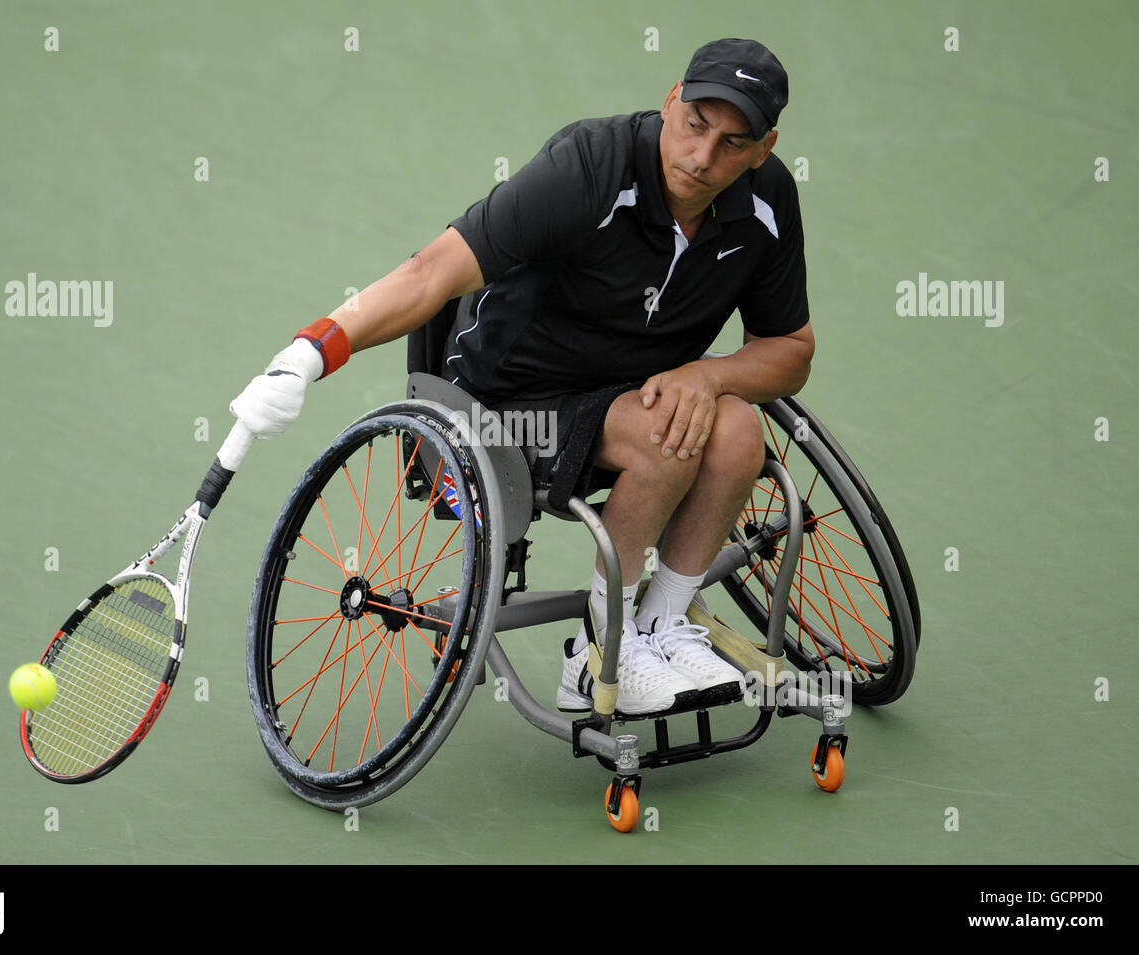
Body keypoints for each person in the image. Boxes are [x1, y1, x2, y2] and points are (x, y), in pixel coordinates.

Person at [230, 38, 814, 717]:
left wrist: (708, 376)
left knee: (739, 427)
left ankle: (659, 625)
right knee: (670, 435)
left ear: (764, 148)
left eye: (733, 143)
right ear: (670, 103)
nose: (704, 158)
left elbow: (791, 348)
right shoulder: (590, 168)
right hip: (506, 406)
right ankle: (599, 651)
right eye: (694, 126)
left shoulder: (767, 202)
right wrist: (310, 352)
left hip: (633, 400)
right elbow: (429, 272)